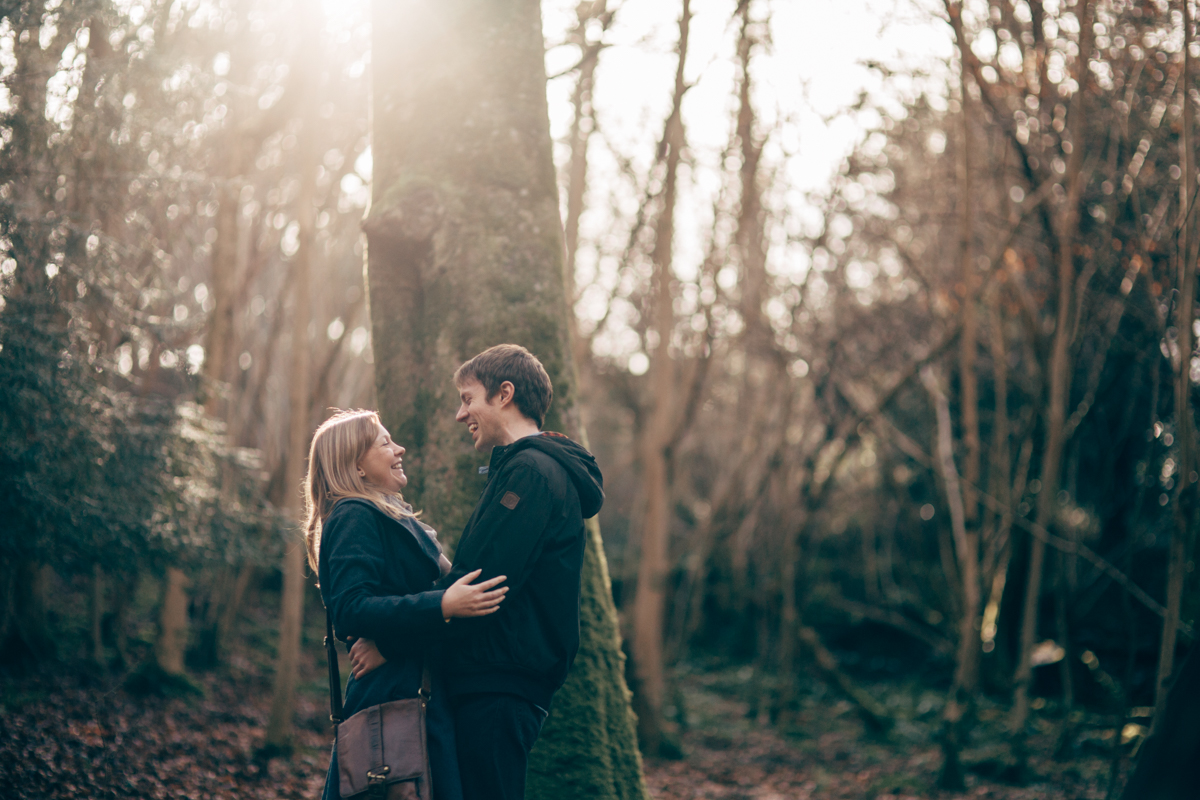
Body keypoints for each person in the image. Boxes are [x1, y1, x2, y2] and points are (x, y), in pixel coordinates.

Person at [304, 408, 508, 800]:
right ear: (356, 466)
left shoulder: (389, 515)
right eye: (384, 443)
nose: (398, 449)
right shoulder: (353, 515)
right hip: (392, 697)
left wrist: (394, 643)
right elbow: (351, 609)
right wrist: (443, 605)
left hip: (417, 689)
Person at [440, 344, 605, 800]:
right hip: (501, 678)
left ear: (504, 394)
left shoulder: (531, 473)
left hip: (499, 681)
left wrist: (395, 639)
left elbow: (484, 579)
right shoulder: (527, 471)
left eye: (468, 398)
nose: (460, 414)